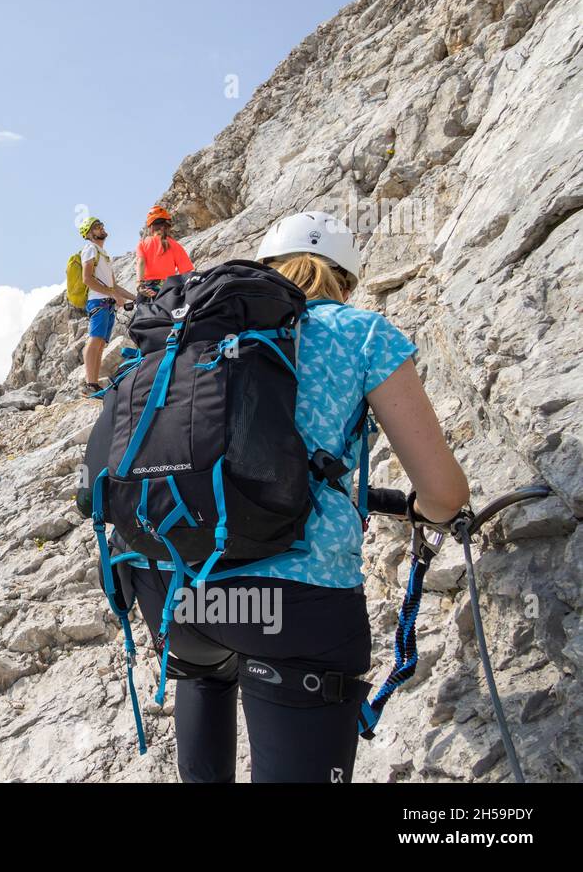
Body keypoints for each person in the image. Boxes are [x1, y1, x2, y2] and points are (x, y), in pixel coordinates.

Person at [127, 210, 470, 783]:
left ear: (266, 272)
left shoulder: (200, 336)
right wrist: (432, 512)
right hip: (292, 609)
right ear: (346, 279)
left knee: (207, 668)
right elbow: (442, 493)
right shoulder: (362, 334)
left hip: (176, 592)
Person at [79, 217, 137, 396]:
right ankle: (89, 384)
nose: (102, 228)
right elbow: (87, 279)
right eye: (97, 227)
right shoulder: (90, 249)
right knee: (95, 340)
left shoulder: (102, 254)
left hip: (107, 303)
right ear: (89, 234)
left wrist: (134, 297)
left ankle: (94, 385)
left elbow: (113, 285)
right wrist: (112, 294)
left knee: (101, 344)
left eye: (102, 226)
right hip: (98, 302)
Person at [135, 206, 194, 299]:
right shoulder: (175, 245)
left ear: (150, 227)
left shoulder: (143, 244)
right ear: (167, 226)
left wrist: (139, 284)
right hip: (169, 289)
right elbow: (187, 272)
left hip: (147, 289)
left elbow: (141, 263)